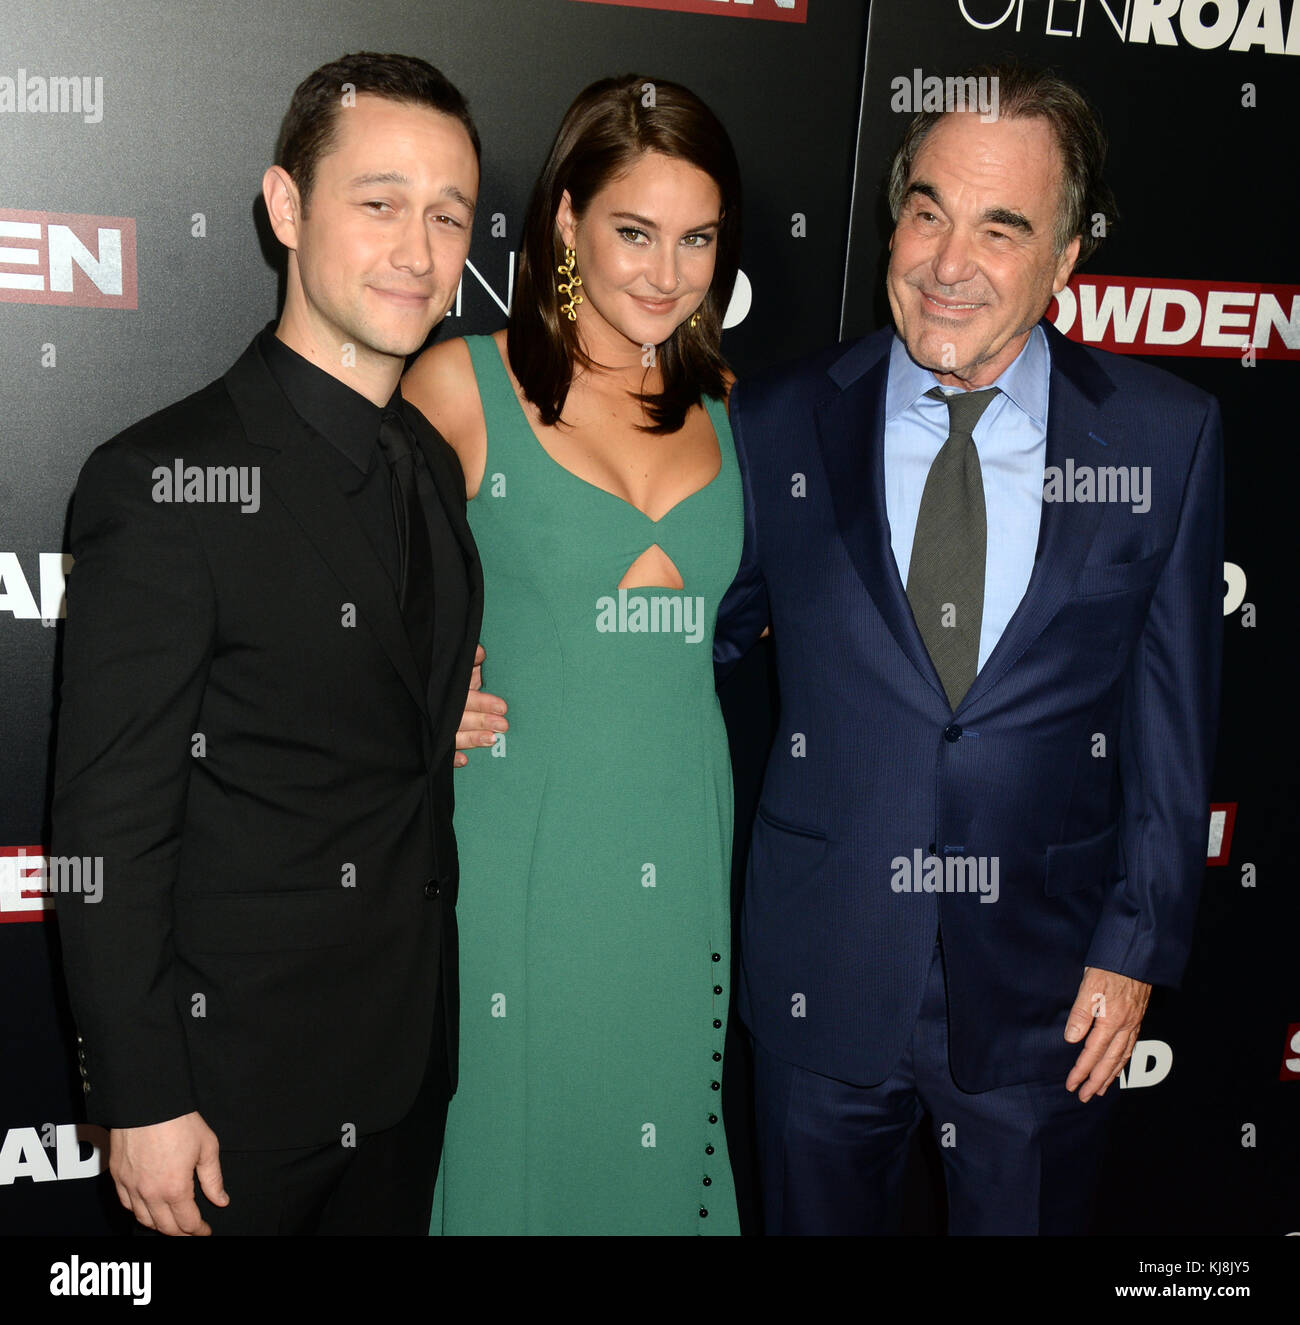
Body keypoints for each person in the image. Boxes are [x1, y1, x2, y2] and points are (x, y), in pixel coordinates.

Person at [714, 64, 1223, 1235]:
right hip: (821, 971)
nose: (949, 263)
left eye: (1001, 227)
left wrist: (1135, 943)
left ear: (1066, 261)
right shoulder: (777, 419)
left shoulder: (1163, 435)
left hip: (1044, 993)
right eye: (928, 208)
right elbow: (703, 642)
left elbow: (1173, 719)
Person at [50, 52, 484, 1236]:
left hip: (404, 1080)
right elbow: (108, 823)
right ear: (286, 207)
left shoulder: (435, 468)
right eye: (379, 201)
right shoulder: (162, 482)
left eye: (447, 215)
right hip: (228, 1104)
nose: (417, 248)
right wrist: (139, 1095)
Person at [403, 74, 744, 1234]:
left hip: (679, 853)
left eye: (696, 238)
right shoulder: (463, 383)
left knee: (655, 1139)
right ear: (565, 222)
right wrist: (415, 695)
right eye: (633, 231)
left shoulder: (729, 409)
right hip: (519, 853)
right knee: (517, 1141)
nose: (666, 270)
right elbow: (338, 601)